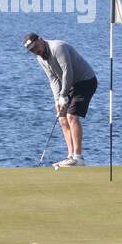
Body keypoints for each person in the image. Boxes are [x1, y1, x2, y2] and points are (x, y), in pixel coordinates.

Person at [23, 32, 98, 169]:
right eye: (32, 50)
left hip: (85, 81)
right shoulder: (41, 58)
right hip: (69, 85)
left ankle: (78, 157)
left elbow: (67, 72)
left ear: (41, 40)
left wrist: (63, 94)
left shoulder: (58, 48)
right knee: (62, 117)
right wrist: (58, 100)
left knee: (72, 116)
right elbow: (53, 79)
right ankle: (70, 156)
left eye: (35, 47)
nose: (35, 51)